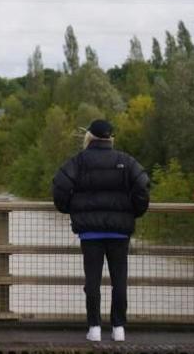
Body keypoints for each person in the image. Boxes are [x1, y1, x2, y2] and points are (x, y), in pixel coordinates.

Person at [53, 119, 150, 342]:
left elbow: (59, 186)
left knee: (92, 282)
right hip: (119, 232)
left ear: (89, 137)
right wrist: (134, 212)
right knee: (119, 280)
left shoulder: (79, 161)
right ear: (111, 138)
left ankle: (94, 328)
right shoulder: (125, 161)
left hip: (90, 233)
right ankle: (118, 329)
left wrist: (71, 209)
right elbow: (143, 186)